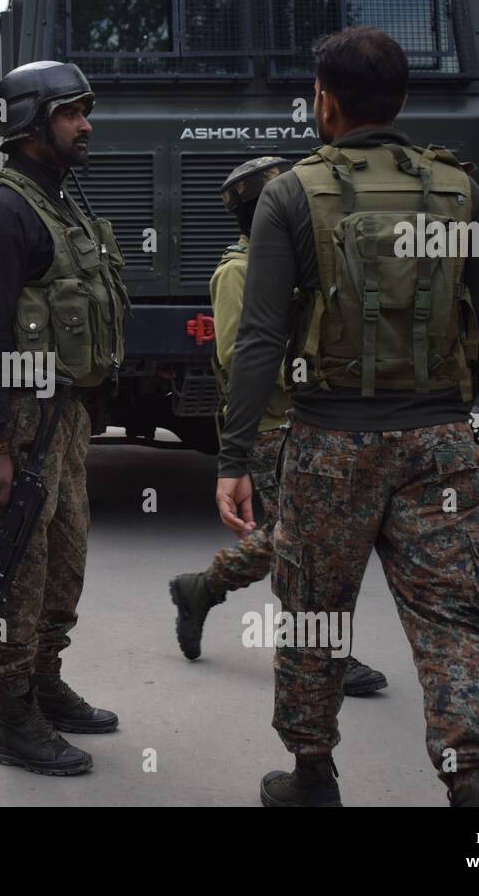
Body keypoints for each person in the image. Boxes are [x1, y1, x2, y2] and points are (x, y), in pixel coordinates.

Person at [215, 27, 479, 807]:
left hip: (331, 444)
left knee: (315, 613)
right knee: (452, 619)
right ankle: (473, 780)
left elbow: (259, 339)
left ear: (324, 99)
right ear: (403, 100)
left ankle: (313, 775)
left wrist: (233, 457)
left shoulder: (291, 193)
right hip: (442, 443)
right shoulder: (464, 193)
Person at [0, 61, 127, 776]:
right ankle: (12, 715)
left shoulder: (59, 202)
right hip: (19, 423)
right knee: (16, 568)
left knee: (64, 560)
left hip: (64, 417)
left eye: (86, 110)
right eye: (71, 113)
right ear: (26, 124)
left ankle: (45, 680)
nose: (86, 124)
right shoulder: (1, 211)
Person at [170, 157, 387, 696]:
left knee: (298, 533)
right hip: (273, 425)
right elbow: (237, 358)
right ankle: (321, 654)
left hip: (314, 420)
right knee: (304, 541)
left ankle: (202, 589)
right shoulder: (239, 272)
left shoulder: (298, 265)